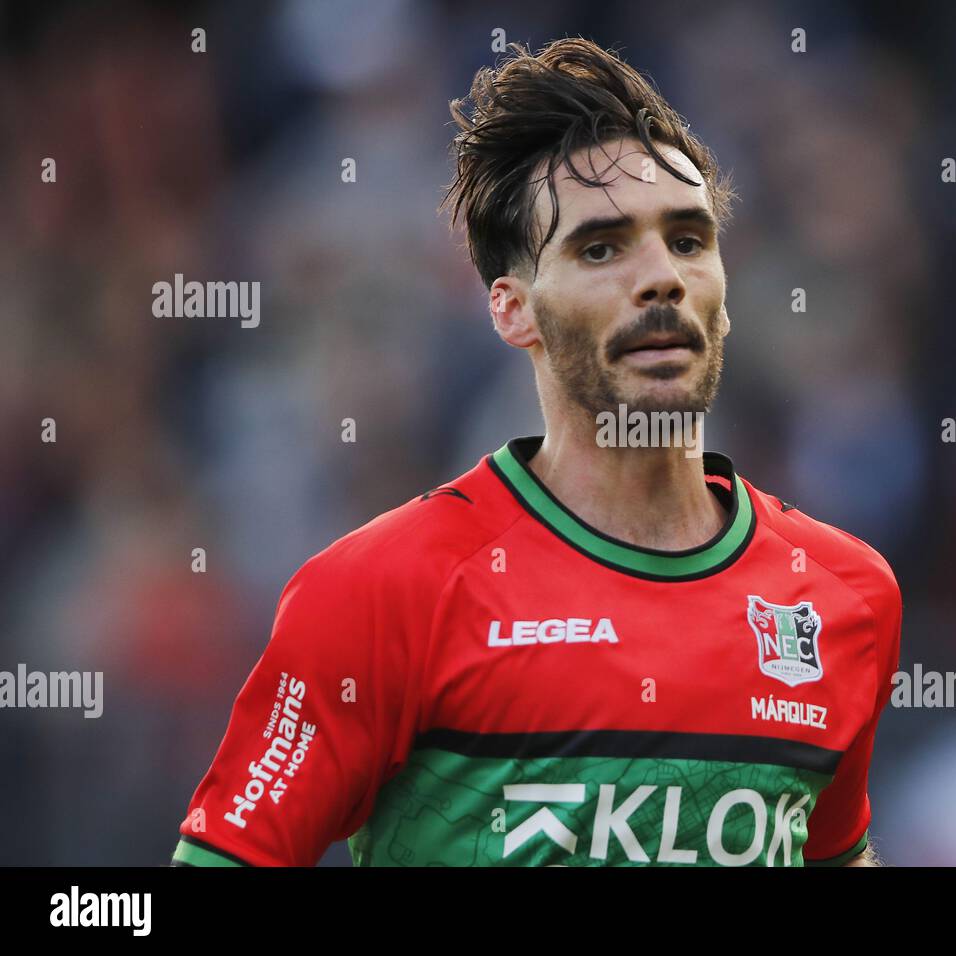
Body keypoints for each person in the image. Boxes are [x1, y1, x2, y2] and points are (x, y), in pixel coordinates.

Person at [170, 37, 901, 867]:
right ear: (513, 311)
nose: (660, 276)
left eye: (689, 240)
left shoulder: (847, 597)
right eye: (601, 248)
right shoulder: (384, 593)